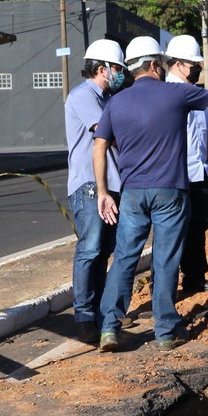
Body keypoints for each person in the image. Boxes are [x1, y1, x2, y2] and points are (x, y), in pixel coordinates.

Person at [92, 36, 208, 353]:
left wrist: (103, 192)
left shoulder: (116, 103)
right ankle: (165, 331)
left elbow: (99, 146)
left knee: (124, 258)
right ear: (154, 65)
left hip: (132, 192)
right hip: (170, 192)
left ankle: (109, 327)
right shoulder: (175, 93)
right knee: (165, 259)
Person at [64, 39, 127, 344]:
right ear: (102, 69)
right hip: (90, 186)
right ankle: (84, 316)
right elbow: (106, 134)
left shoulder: (106, 98)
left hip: (110, 184)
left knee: (103, 251)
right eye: (117, 68)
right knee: (89, 250)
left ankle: (100, 313)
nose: (120, 74)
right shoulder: (83, 96)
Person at [165, 34, 208, 295]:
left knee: (198, 226)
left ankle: (195, 279)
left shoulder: (197, 96)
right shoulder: (168, 93)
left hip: (199, 173)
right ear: (178, 64)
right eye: (194, 65)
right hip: (176, 177)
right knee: (172, 232)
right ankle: (164, 286)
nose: (199, 69)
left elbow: (206, 133)